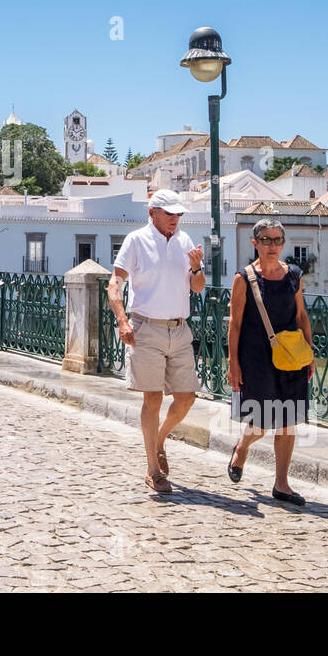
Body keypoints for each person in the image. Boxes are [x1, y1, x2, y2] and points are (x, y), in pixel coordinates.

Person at [106, 189, 206, 494]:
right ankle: (152, 470)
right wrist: (123, 321)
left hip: (180, 328)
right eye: (169, 214)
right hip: (146, 328)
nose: (175, 220)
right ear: (153, 213)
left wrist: (197, 267)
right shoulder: (136, 240)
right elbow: (115, 283)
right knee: (152, 398)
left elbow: (198, 288)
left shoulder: (186, 242)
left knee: (187, 397)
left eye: (178, 215)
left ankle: (160, 439)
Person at [226, 218, 315, 506]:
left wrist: (310, 353)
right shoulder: (244, 278)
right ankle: (242, 447)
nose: (272, 245)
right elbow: (236, 324)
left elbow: (301, 316)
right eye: (266, 240)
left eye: (277, 240)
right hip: (258, 358)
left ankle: (282, 484)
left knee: (288, 422)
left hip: (292, 356)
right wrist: (233, 362)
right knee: (262, 422)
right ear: (255, 244)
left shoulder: (294, 275)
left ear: (283, 243)